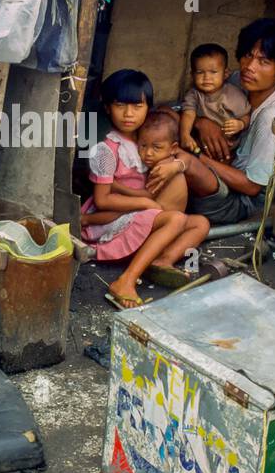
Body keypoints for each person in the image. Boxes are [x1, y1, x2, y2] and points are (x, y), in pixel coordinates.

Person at [146, 18, 275, 227]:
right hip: (215, 168)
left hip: (237, 202)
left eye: (263, 62)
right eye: (247, 55)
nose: (249, 67)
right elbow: (184, 106)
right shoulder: (237, 81)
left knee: (180, 159)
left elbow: (251, 187)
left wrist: (198, 158)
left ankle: (155, 219)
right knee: (162, 118)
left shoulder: (272, 119)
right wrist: (201, 122)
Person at [81, 70, 209, 308]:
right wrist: (146, 203)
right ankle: (126, 281)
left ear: (148, 107)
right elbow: (103, 201)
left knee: (200, 223)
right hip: (112, 219)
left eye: (137, 106)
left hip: (138, 215)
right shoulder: (105, 150)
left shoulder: (146, 140)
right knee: (174, 220)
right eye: (120, 106)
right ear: (108, 108)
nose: (129, 114)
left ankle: (161, 260)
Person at [179, 42, 251, 157]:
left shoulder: (233, 95)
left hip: (229, 148)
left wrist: (241, 124)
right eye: (200, 72)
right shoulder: (194, 94)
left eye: (213, 72)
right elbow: (188, 113)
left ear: (225, 73)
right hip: (201, 143)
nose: (207, 77)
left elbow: (247, 115)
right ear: (192, 75)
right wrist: (185, 135)